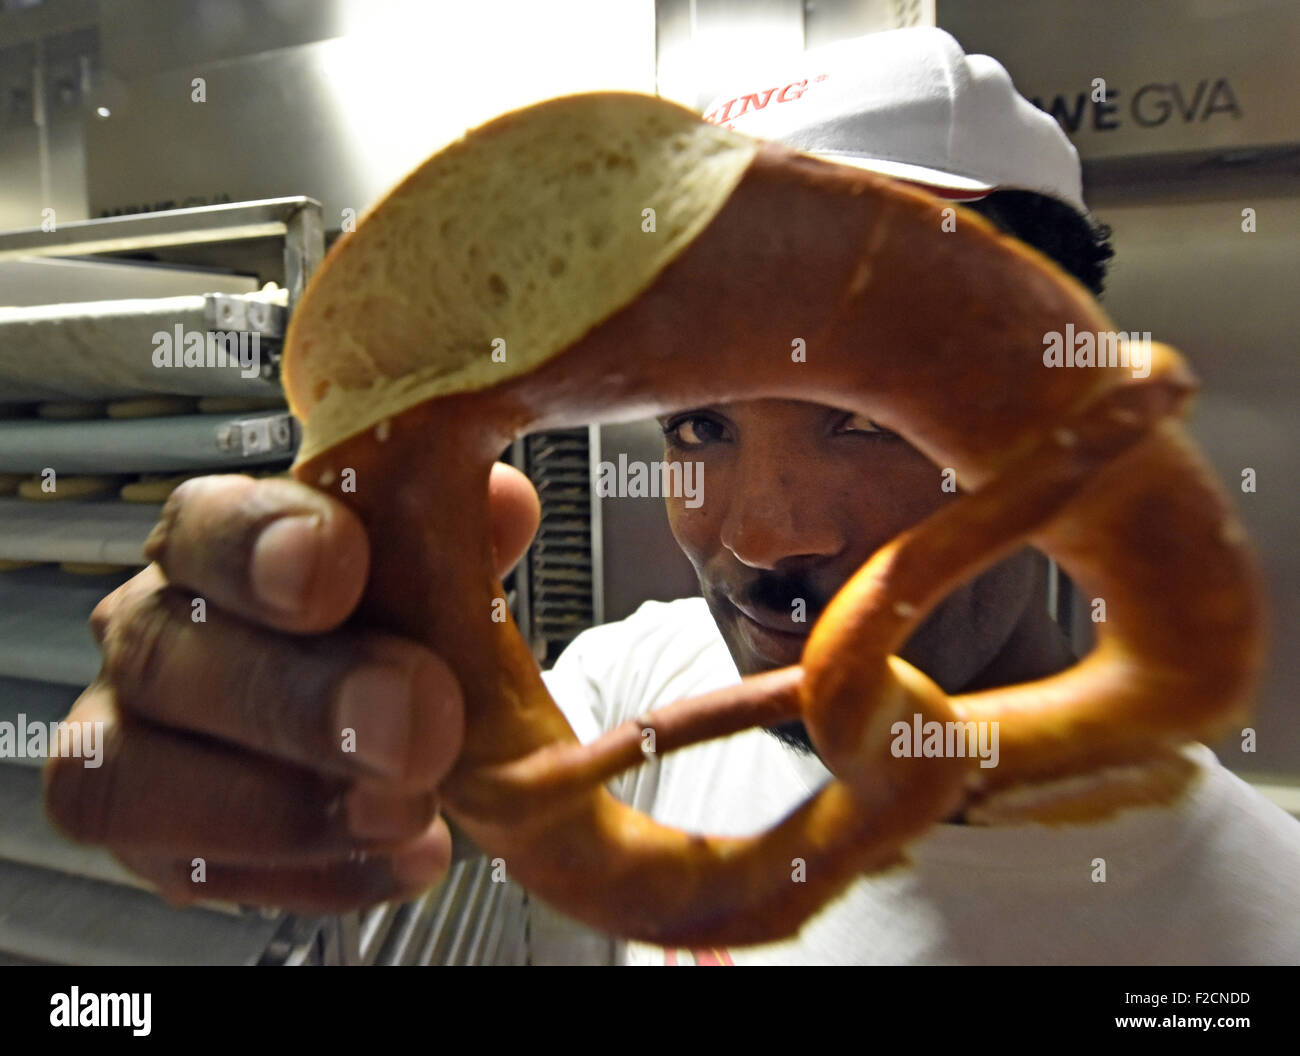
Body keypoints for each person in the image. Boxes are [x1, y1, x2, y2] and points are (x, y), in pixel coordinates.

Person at [48, 28, 1300, 965]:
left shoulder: (1263, 916)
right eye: (700, 426)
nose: (762, 538)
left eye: (862, 420)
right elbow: (400, 845)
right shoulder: (636, 692)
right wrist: (262, 765)